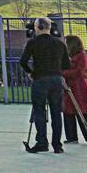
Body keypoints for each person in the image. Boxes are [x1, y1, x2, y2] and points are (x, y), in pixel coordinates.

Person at [19, 17, 71, 154]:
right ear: (49, 27)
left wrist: (30, 72)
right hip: (56, 79)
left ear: (37, 28)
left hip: (40, 78)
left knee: (39, 111)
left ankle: (42, 142)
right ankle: (57, 145)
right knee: (56, 112)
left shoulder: (33, 43)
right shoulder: (59, 43)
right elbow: (67, 64)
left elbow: (23, 61)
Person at [62, 34, 87, 145]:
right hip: (69, 87)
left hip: (79, 88)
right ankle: (71, 137)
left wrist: (63, 73)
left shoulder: (81, 56)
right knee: (68, 112)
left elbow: (78, 71)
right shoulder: (69, 56)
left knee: (83, 113)